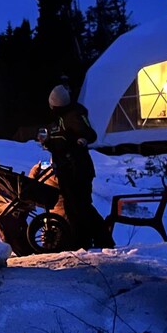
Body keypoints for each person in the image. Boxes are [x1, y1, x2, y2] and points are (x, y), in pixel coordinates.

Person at [40, 83, 114, 250]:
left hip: (77, 168)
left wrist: (81, 141)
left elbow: (89, 134)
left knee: (81, 205)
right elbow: (60, 143)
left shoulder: (74, 116)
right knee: (73, 206)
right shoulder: (57, 120)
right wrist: (48, 143)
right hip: (65, 169)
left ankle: (98, 239)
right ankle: (82, 239)